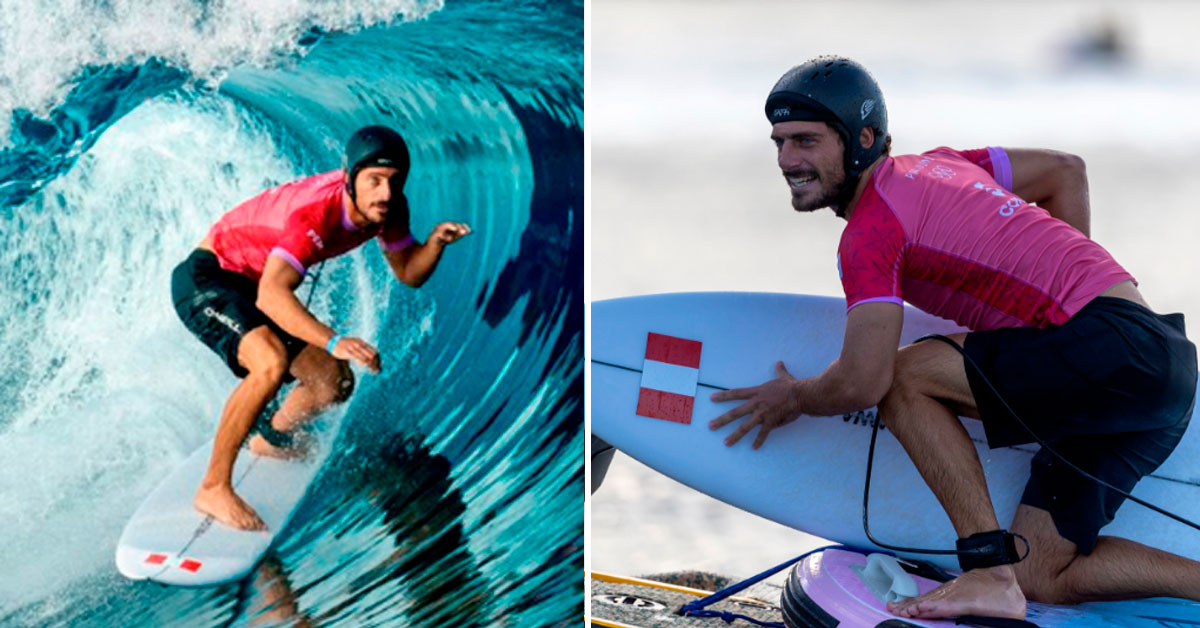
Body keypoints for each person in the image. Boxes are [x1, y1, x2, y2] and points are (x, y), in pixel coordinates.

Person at [708, 56, 1198, 621]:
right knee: (1042, 573)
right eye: (779, 143)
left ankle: (988, 572)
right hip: (1159, 367)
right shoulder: (945, 165)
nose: (788, 160)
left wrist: (792, 397)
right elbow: (1066, 170)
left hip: (1112, 348)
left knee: (904, 380)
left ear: (863, 138)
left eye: (806, 141)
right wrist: (1045, 327)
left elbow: (867, 381)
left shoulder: (871, 232)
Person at [171, 125, 471, 531]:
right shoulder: (315, 216)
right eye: (374, 181)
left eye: (394, 181)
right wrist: (334, 340)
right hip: (210, 278)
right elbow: (272, 297)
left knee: (331, 382)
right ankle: (213, 487)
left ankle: (268, 441)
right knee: (270, 363)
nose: (385, 192)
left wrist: (434, 242)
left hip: (255, 282)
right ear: (350, 177)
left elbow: (407, 272)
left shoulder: (389, 208)